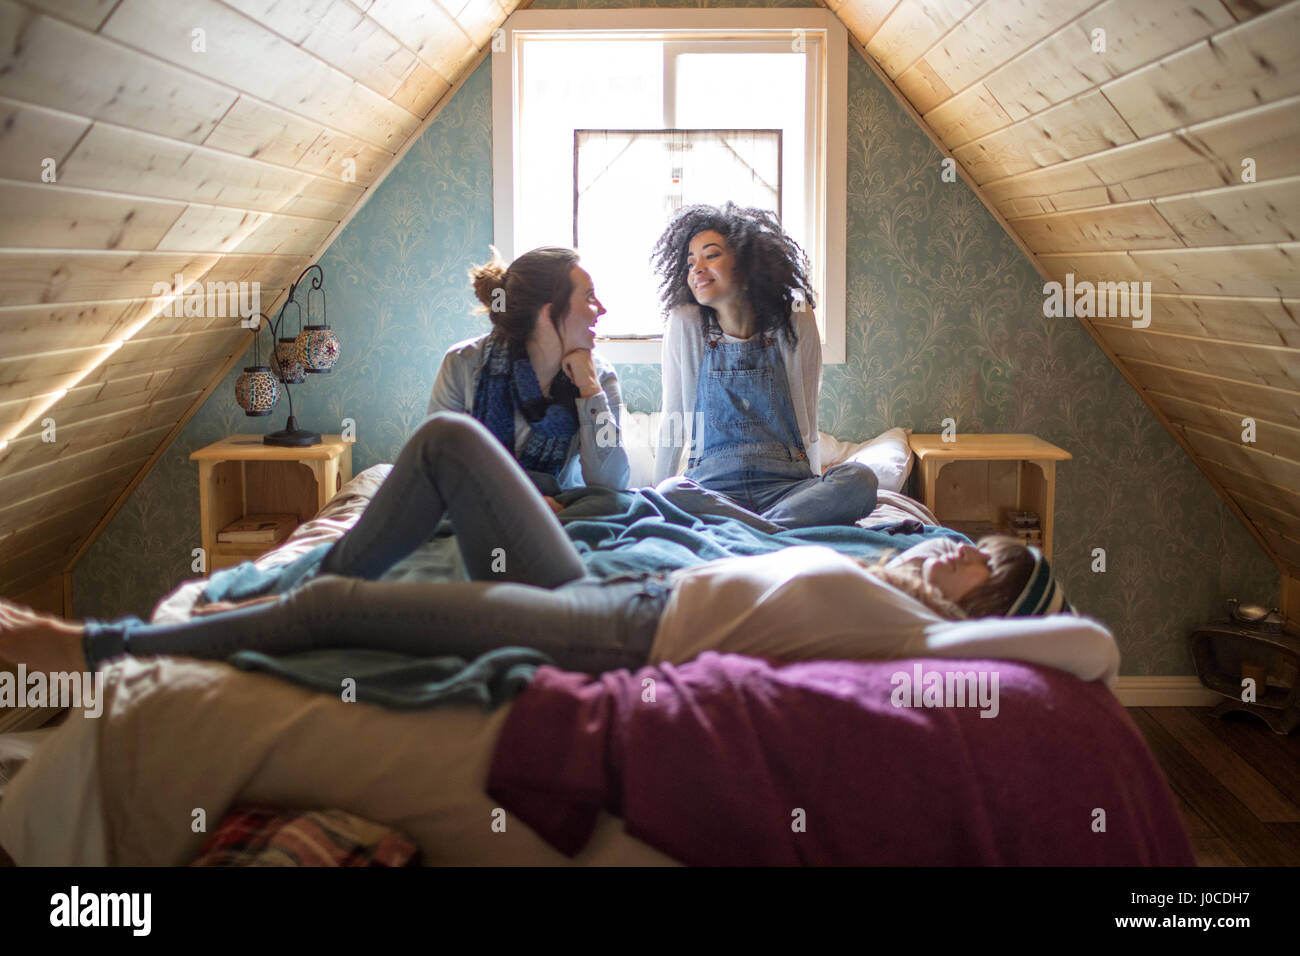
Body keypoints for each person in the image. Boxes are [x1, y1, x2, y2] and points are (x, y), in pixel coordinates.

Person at [1, 414, 1115, 688]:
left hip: (616, 634)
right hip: (615, 586)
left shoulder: (926, 641)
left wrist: (1005, 609)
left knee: (335, 616)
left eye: (976, 559)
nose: (947, 549)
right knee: (446, 441)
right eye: (963, 545)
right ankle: (297, 583)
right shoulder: (878, 582)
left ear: (989, 605)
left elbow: (1087, 648)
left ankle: (84, 646)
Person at [650, 202, 879, 531]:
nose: (697, 269)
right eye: (690, 262)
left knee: (861, 479)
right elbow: (672, 420)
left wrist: (813, 485)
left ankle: (749, 529)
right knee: (671, 491)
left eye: (710, 255)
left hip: (786, 489)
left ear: (745, 263)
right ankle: (774, 530)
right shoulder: (686, 321)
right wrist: (656, 505)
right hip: (713, 488)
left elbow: (807, 419)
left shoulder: (794, 317)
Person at [429, 245, 630, 504]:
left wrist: (590, 389)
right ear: (549, 313)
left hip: (562, 512)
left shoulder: (599, 376)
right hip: (480, 507)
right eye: (589, 296)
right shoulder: (463, 363)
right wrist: (521, 504)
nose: (601, 309)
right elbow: (437, 468)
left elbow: (612, 485)